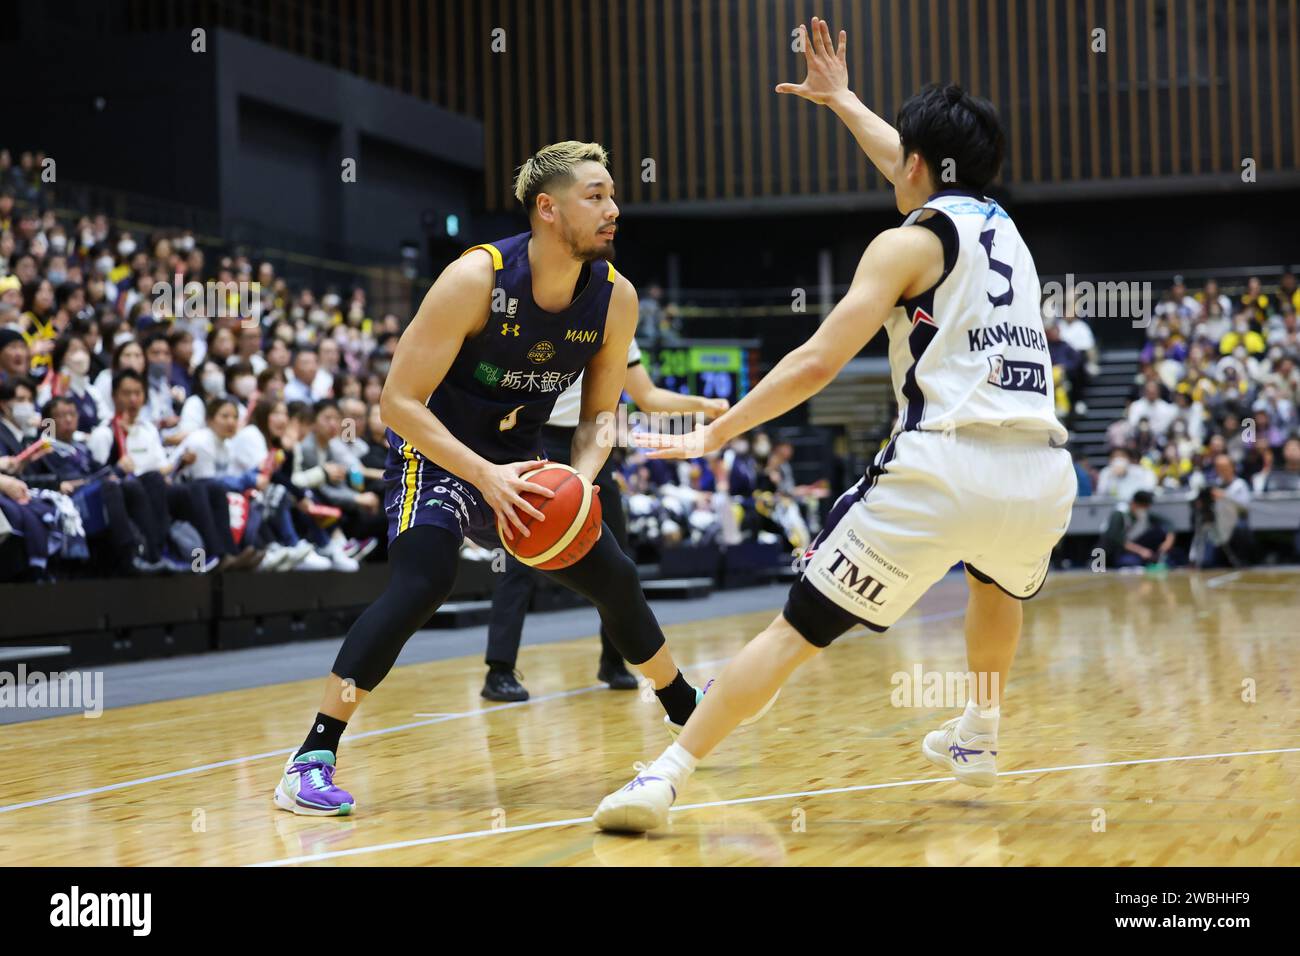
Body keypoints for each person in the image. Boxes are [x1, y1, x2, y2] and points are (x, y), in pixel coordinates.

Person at [593, 19, 1076, 832]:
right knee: (997, 585)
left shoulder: (905, 243)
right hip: (1041, 477)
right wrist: (844, 99)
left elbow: (817, 362)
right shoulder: (1007, 231)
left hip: (942, 468)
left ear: (918, 169)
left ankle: (665, 776)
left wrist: (718, 433)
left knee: (797, 630)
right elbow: (912, 161)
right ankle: (981, 730)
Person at [274, 141, 719, 816]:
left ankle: (685, 710)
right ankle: (311, 755)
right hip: (443, 455)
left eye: (612, 194)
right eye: (594, 196)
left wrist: (582, 482)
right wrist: (484, 476)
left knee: (616, 577)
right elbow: (397, 402)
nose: (613, 210)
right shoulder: (475, 279)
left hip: (527, 461)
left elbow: (601, 417)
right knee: (425, 580)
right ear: (548, 208)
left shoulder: (613, 297)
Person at [481, 338, 729, 701]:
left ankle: (614, 661)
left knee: (615, 558)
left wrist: (703, 405)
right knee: (522, 555)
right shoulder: (546, 315)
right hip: (536, 438)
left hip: (594, 440)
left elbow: (647, 396)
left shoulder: (617, 323)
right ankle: (499, 670)